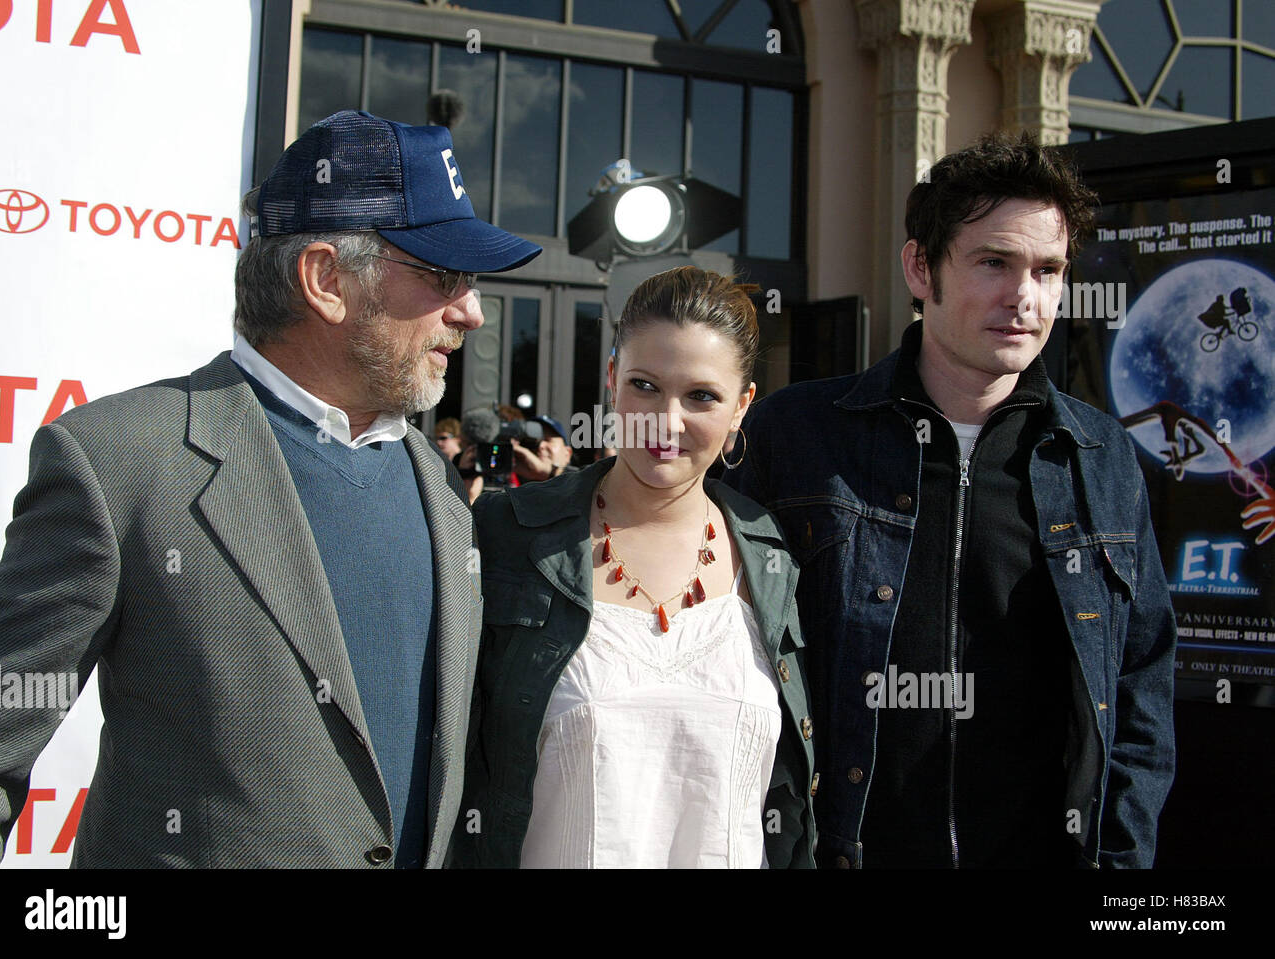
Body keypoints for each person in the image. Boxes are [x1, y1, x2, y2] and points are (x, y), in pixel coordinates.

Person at [0, 109, 541, 868]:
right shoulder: (118, 462)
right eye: (443, 275)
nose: (471, 311)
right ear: (326, 280)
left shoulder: (438, 483)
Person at [726, 132, 1176, 869]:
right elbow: (728, 661)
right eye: (994, 262)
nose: (1024, 297)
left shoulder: (1101, 455)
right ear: (920, 266)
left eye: (1048, 269)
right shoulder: (798, 434)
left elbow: (1140, 687)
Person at [451, 267, 815, 868]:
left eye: (702, 396)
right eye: (645, 385)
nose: (666, 422)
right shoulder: (504, 534)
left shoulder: (772, 558)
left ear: (741, 408)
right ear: (613, 379)